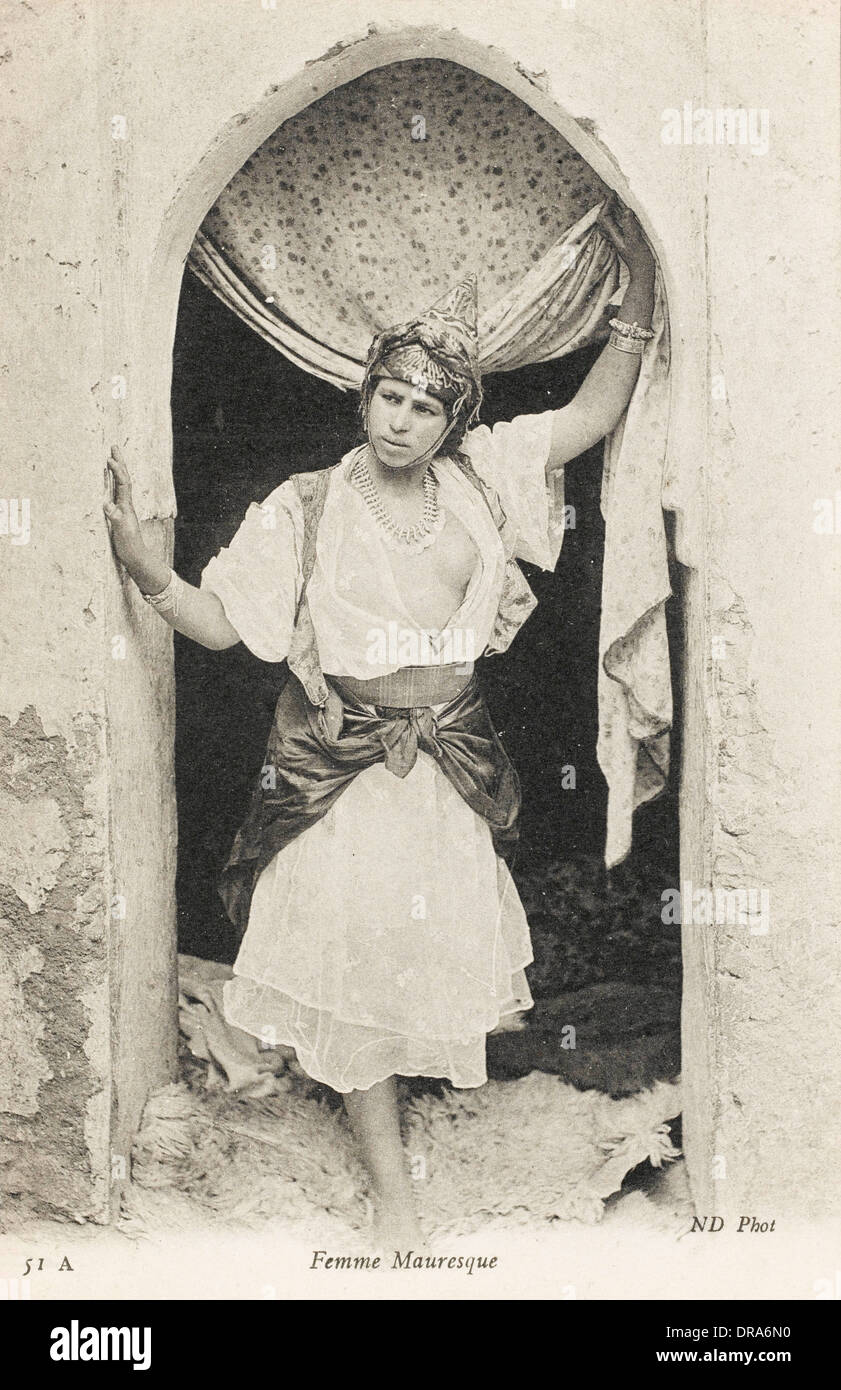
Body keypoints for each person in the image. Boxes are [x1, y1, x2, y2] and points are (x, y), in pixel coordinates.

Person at [104, 194, 655, 1249]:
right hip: (342, 766)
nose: (400, 419)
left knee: (424, 954)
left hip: (445, 763)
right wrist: (150, 574)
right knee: (349, 969)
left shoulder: (485, 478)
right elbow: (227, 626)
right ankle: (392, 1195)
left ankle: (396, 1103)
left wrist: (632, 301)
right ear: (365, 396)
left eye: (424, 407)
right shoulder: (304, 506)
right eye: (388, 396)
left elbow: (586, 418)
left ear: (454, 421)